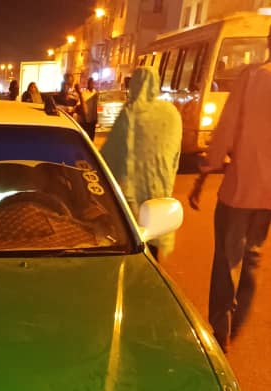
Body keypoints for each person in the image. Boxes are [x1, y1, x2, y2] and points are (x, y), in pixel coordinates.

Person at [188, 24, 271, 351]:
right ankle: (235, 328)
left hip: (240, 189)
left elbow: (226, 128)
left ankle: (220, 330)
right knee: (252, 258)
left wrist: (204, 174)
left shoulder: (252, 78)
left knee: (227, 258)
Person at [100, 64, 182, 259]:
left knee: (135, 241)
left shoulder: (130, 114)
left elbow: (109, 158)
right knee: (155, 236)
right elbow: (175, 154)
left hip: (131, 192)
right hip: (160, 188)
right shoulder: (171, 113)